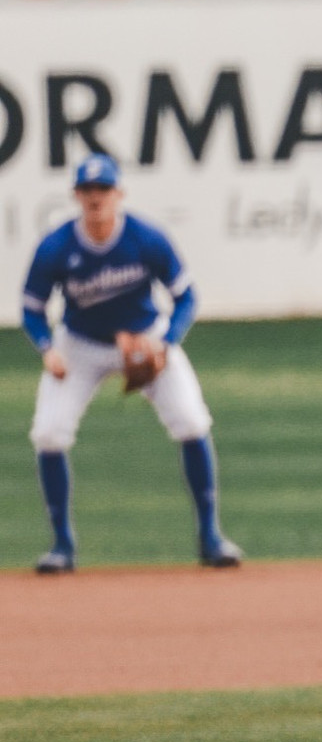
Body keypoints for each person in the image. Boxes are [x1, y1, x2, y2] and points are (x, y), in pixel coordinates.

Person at [20, 153, 243, 574]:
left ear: (119, 193)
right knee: (49, 433)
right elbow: (31, 308)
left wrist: (165, 343)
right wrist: (47, 348)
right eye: (87, 190)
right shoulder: (56, 247)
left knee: (192, 422)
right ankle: (62, 546)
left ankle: (211, 537)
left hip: (146, 337)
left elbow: (186, 297)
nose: (95, 197)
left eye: (103, 189)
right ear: (75, 195)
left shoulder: (146, 238)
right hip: (80, 344)